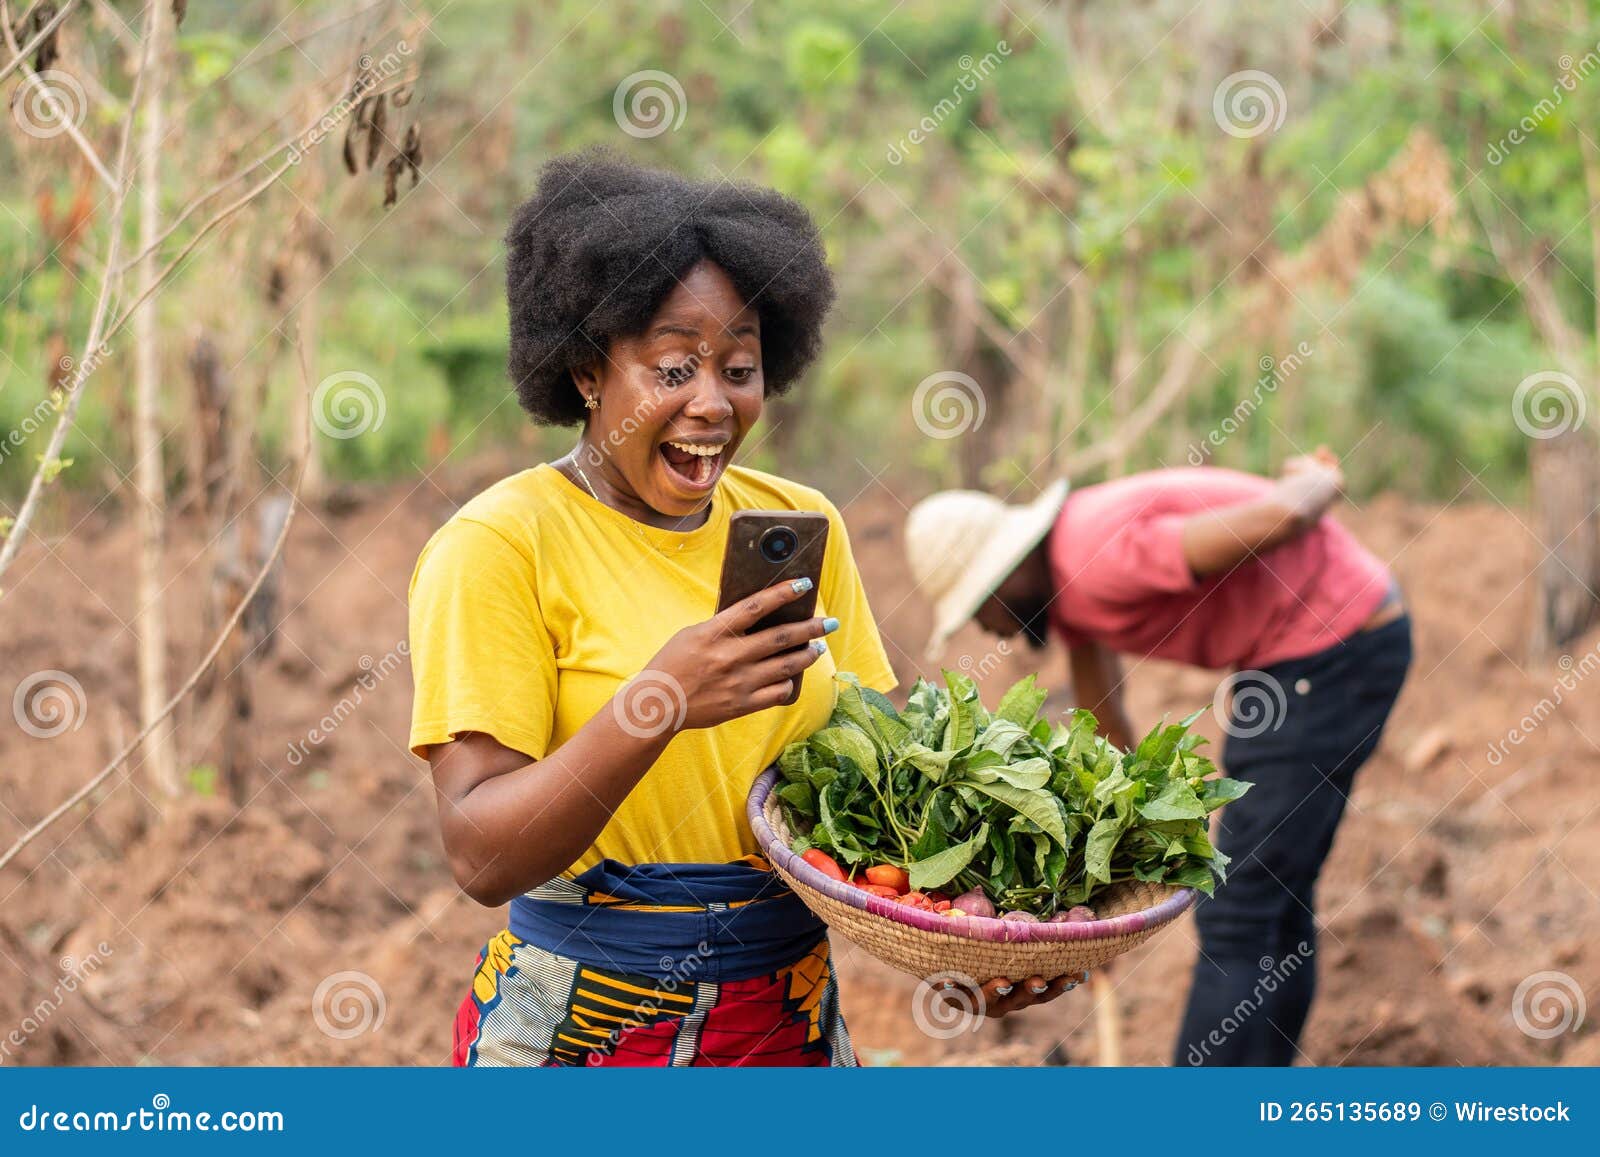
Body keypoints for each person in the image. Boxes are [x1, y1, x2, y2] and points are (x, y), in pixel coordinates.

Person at [408, 151, 1072, 1068]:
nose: (713, 404)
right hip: (581, 1034)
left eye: (741, 366)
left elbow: (876, 793)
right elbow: (480, 854)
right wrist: (661, 699)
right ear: (589, 370)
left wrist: (964, 940)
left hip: (785, 1027)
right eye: (674, 367)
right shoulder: (501, 544)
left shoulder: (806, 528)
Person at [903, 451, 1412, 1065]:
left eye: (979, 610)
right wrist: (1100, 895)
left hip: (1332, 650)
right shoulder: (1070, 585)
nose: (990, 632)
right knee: (1273, 899)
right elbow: (1106, 725)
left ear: (1004, 574)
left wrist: (1319, 479)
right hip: (1316, 651)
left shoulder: (1099, 562)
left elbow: (1279, 518)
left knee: (1240, 910)